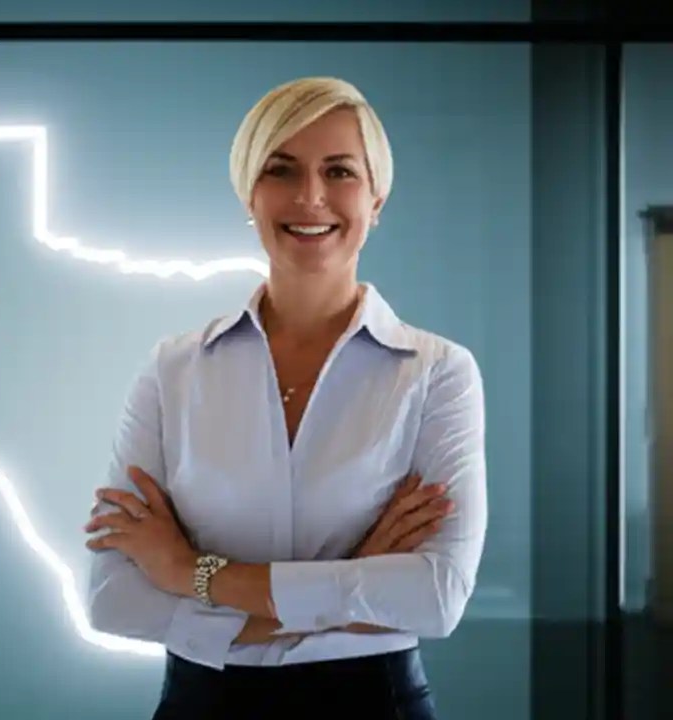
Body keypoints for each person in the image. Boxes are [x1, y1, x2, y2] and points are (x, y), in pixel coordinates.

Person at [82, 76, 488, 719]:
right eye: (281, 169)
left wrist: (190, 572)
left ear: (377, 197)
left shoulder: (437, 374)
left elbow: (435, 598)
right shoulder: (173, 369)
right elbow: (113, 599)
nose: (311, 197)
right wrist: (355, 580)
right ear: (250, 194)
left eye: (339, 171)